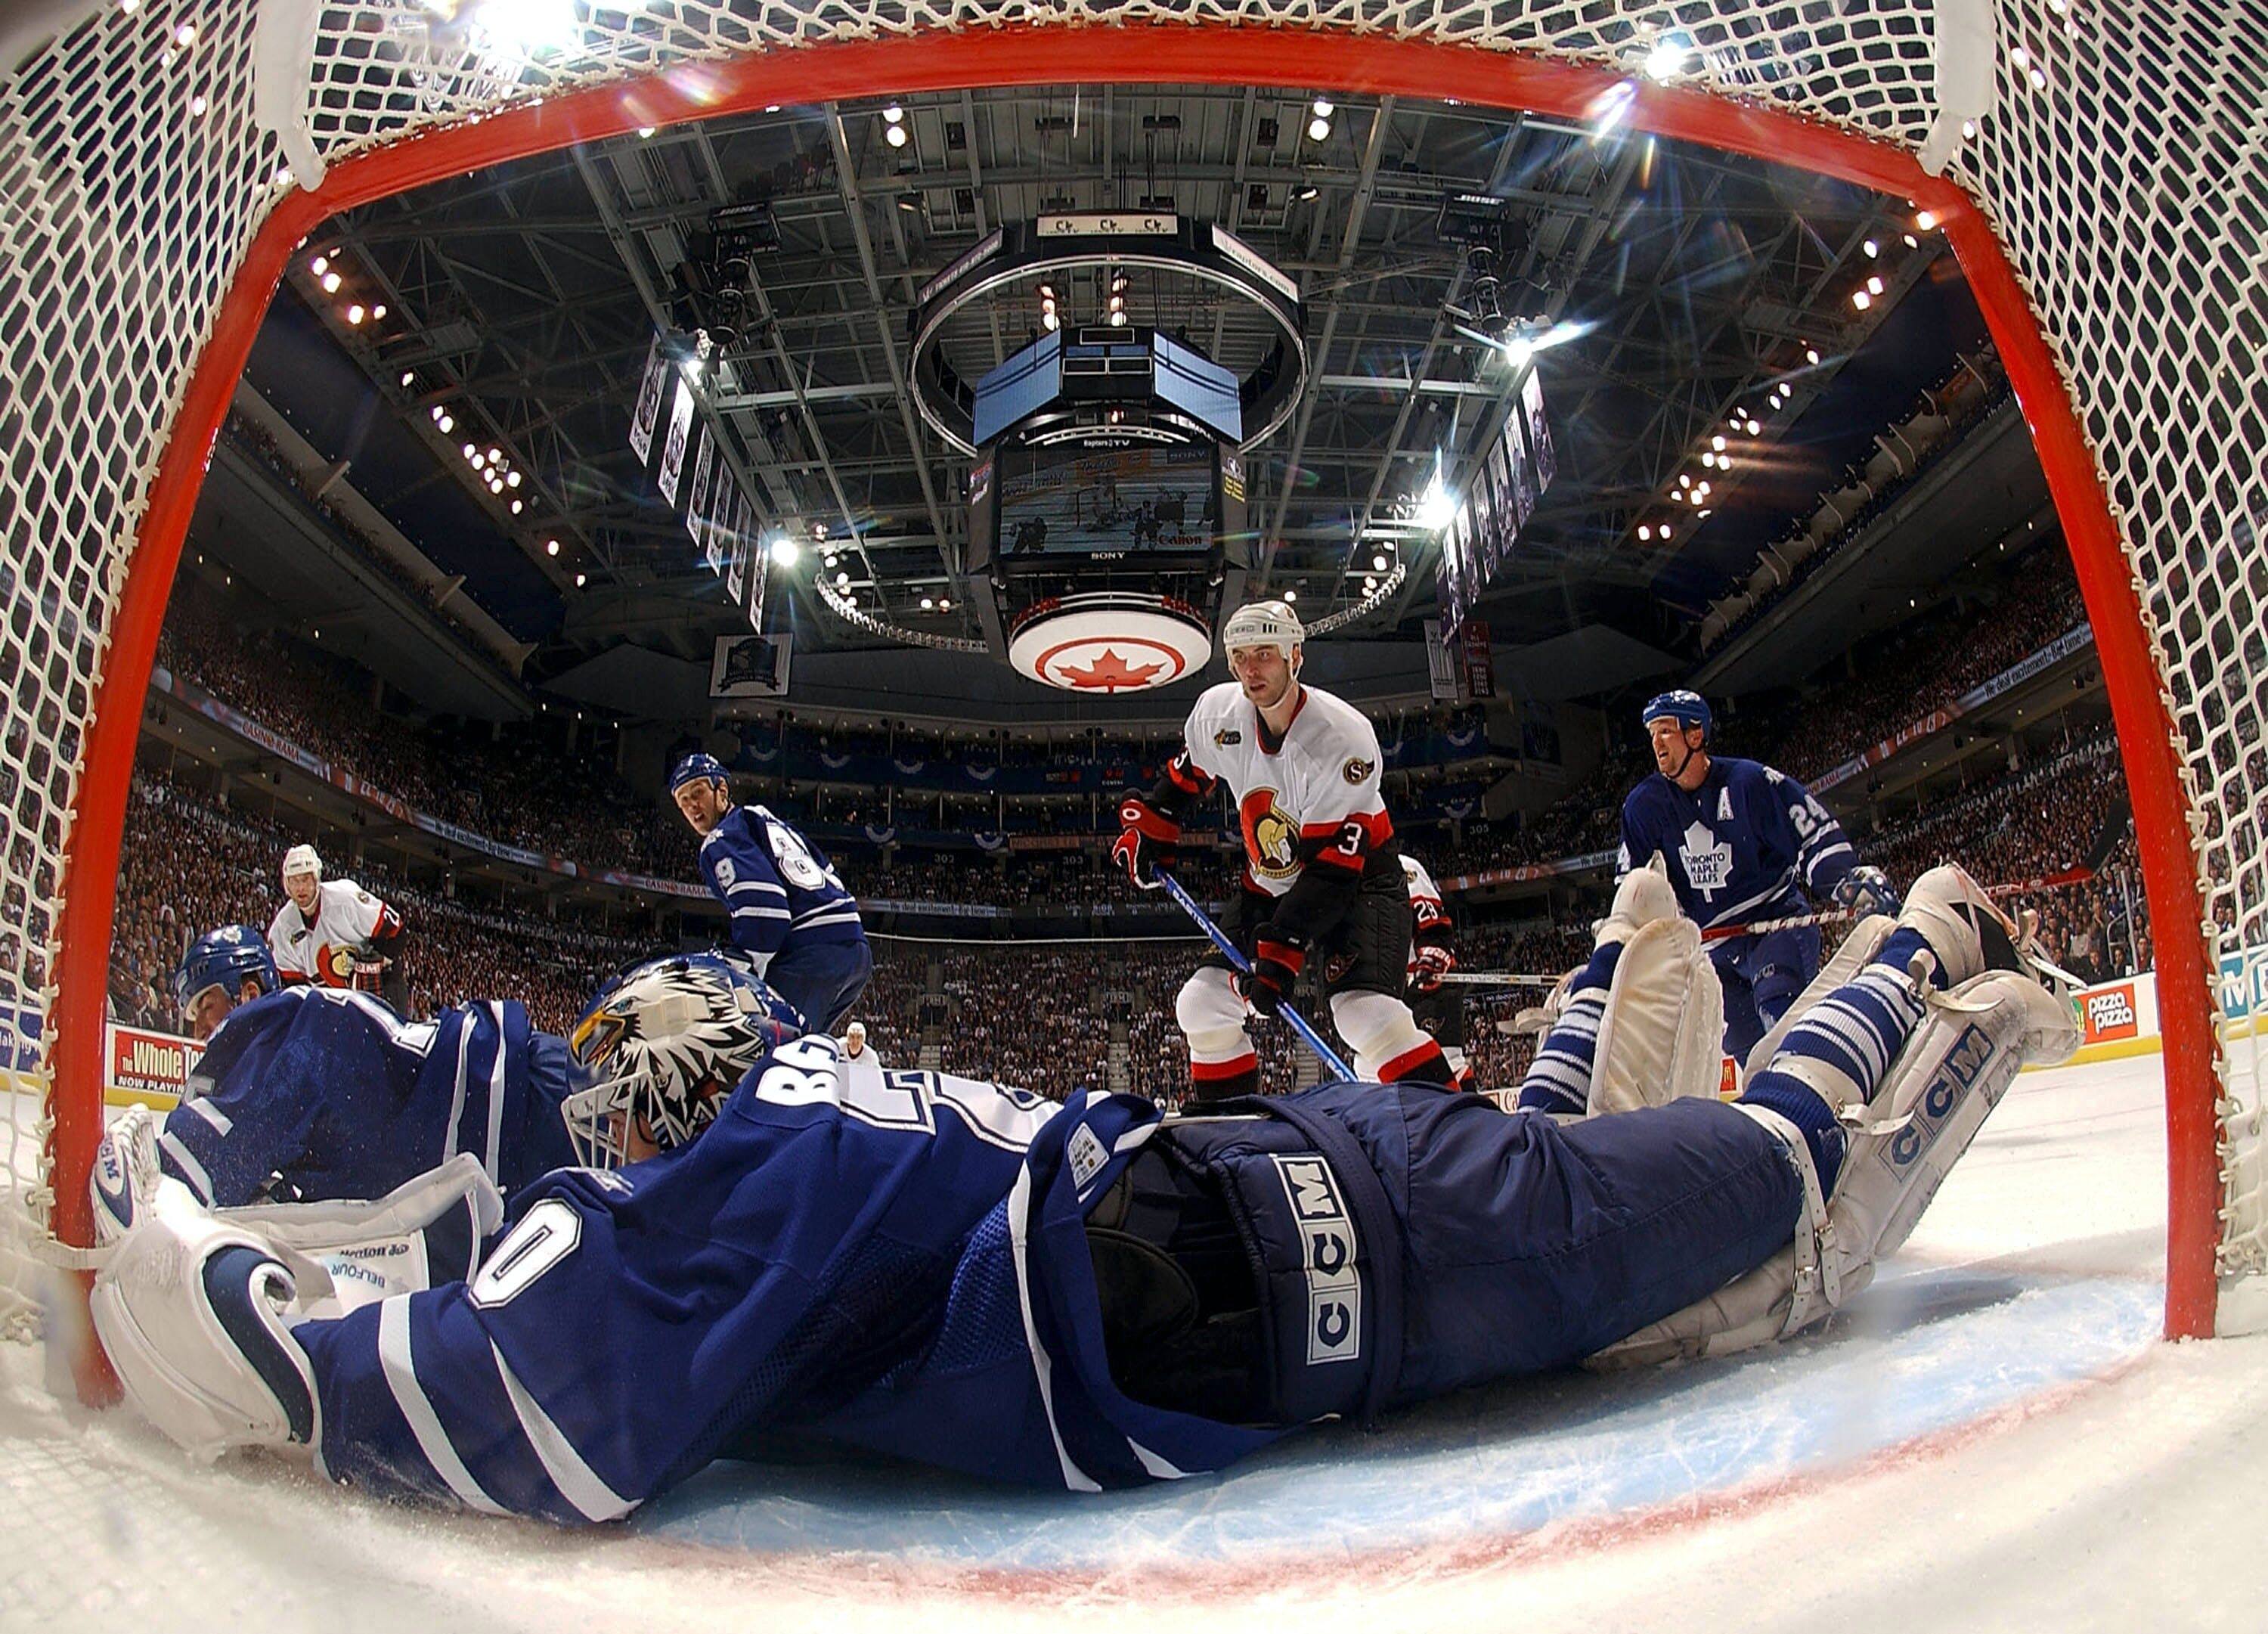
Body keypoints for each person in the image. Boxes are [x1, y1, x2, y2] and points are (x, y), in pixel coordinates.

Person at [86, 864, 2074, 1520]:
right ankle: (1623, 988)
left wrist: (268, 1354)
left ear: (664, 1097)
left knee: (1790, 1213)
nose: (604, 1146)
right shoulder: (800, 1094)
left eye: (618, 1118)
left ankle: (1920, 936)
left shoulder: (758, 1162)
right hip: (1345, 1185)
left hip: (1348, 1255)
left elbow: (558, 1407)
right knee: (1584, 1163)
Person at [1114, 599, 1452, 1099]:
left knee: (1363, 1014)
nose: (1252, 669)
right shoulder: (1218, 713)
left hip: (1360, 881)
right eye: (1241, 656)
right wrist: (1156, 824)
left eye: (1265, 654)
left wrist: (1284, 947)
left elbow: (1334, 872)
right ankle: (1233, 1128)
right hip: (1271, 880)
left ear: (1296, 657)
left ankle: (1452, 1129)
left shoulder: (1343, 737)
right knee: (1201, 1005)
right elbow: (1185, 778)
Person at [88, 925, 583, 1226]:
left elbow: (203, 1165)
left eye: (205, 1004)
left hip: (528, 1103)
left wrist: (143, 1174)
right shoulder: (300, 1030)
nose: (200, 1027)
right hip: (512, 1116)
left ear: (246, 992)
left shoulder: (281, 1023)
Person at [1618, 690, 1899, 1068]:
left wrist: (1845, 881)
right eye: (1653, 734)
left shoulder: (1747, 782)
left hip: (1773, 923)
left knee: (1781, 1020)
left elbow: (1808, 826)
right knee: (1750, 1056)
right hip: (1713, 949)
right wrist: (1626, 938)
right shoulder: (1643, 807)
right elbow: (1631, 885)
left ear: (1695, 735)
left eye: (1666, 731)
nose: (1657, 743)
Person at [669, 752, 872, 1032]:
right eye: (683, 801)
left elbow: (766, 911)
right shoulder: (765, 819)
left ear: (722, 791)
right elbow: (826, 871)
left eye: (698, 792)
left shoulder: (721, 839)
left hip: (811, 953)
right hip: (854, 950)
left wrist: (739, 965)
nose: (692, 805)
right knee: (807, 1051)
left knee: (767, 1057)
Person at [265, 844, 407, 1010]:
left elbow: (397, 932)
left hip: (380, 990)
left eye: (305, 879)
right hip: (334, 1007)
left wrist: (380, 962)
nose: (301, 888)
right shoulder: (282, 928)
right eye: (294, 881)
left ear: (317, 878)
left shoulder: (345, 900)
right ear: (286, 884)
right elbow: (294, 991)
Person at [1400, 851, 1472, 1090]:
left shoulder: (1401, 867)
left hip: (1428, 989)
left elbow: (1434, 928)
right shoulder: (1341, 875)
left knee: (1446, 1066)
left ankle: (1476, 1121)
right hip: (1385, 996)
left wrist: (1431, 960)